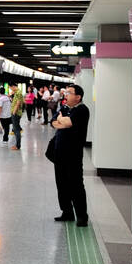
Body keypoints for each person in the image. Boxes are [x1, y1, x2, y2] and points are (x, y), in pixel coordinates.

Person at [50, 84, 91, 226]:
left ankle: (82, 216)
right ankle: (67, 212)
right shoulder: (65, 108)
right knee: (61, 184)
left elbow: (68, 122)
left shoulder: (82, 110)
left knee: (76, 185)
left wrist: (64, 121)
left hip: (73, 154)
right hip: (59, 153)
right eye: (66, 92)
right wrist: (62, 121)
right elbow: (54, 122)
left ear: (78, 97)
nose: (66, 95)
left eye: (70, 93)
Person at [9, 83, 25, 150]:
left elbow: (18, 103)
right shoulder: (17, 92)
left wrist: (14, 112)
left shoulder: (18, 92)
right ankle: (17, 145)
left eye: (10, 88)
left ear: (13, 86)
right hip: (16, 113)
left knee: (16, 129)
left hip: (16, 113)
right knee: (16, 128)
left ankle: (17, 145)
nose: (10, 89)